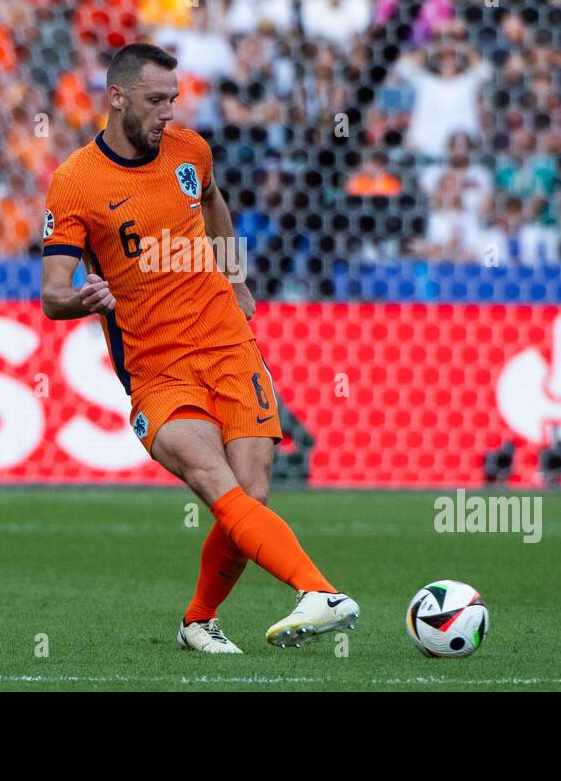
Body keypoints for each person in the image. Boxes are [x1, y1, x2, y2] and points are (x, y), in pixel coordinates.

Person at [40, 42, 358, 654]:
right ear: (117, 97)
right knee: (216, 484)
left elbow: (213, 203)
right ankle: (318, 591)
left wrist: (235, 277)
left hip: (229, 344)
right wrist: (84, 299)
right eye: (156, 100)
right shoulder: (76, 181)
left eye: (173, 100)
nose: (168, 112)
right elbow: (53, 293)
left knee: (252, 495)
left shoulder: (191, 151)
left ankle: (197, 623)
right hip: (157, 369)